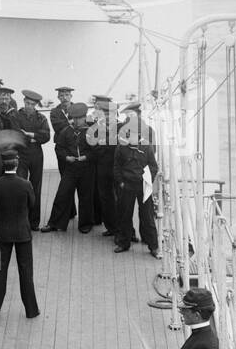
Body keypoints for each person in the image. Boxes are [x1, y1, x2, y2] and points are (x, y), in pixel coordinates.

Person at [0, 153, 39, 319]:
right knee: (26, 272)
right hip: (23, 233)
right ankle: (31, 310)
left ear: (4, 165)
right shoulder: (26, 184)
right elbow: (32, 204)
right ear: (16, 164)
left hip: (2, 234)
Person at [113, 103, 160, 256]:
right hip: (127, 185)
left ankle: (153, 246)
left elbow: (153, 167)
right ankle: (123, 242)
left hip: (143, 185)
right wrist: (120, 182)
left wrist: (148, 181)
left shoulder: (146, 148)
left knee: (147, 216)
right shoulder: (122, 148)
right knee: (124, 215)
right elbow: (117, 167)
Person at [42, 101, 95, 232]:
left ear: (85, 117)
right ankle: (55, 223)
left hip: (86, 169)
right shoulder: (66, 131)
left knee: (86, 197)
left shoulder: (91, 132)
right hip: (70, 169)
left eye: (80, 118)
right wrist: (66, 157)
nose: (77, 122)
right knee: (62, 194)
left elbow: (96, 150)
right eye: (74, 119)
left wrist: (86, 157)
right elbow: (59, 148)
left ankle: (85, 225)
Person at [10, 90, 50, 229]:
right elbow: (17, 134)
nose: (29, 106)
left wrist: (31, 134)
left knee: (36, 187)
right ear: (24, 101)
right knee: (20, 186)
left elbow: (46, 136)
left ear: (36, 105)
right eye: (27, 103)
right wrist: (34, 137)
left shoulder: (41, 118)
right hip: (21, 153)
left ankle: (34, 222)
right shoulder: (15, 116)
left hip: (36, 154)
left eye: (32, 104)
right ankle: (20, 220)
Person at [85, 94, 120, 236]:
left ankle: (124, 231)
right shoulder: (95, 127)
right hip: (102, 168)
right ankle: (111, 227)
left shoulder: (119, 127)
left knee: (118, 199)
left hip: (116, 168)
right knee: (105, 198)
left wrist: (102, 144)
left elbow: (118, 146)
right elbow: (92, 144)